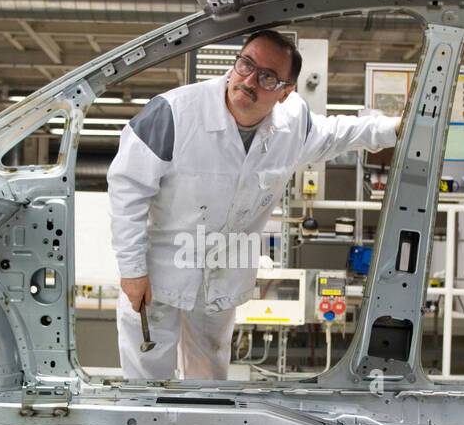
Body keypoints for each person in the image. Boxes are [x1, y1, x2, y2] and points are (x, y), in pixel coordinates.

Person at [107, 29, 401, 380]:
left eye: (267, 77)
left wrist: (397, 128)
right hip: (159, 274)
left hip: (222, 278)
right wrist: (132, 270)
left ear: (285, 92)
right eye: (246, 64)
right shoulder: (174, 113)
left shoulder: (293, 124)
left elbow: (339, 133)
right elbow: (128, 189)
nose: (249, 81)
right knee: (147, 382)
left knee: (209, 380)